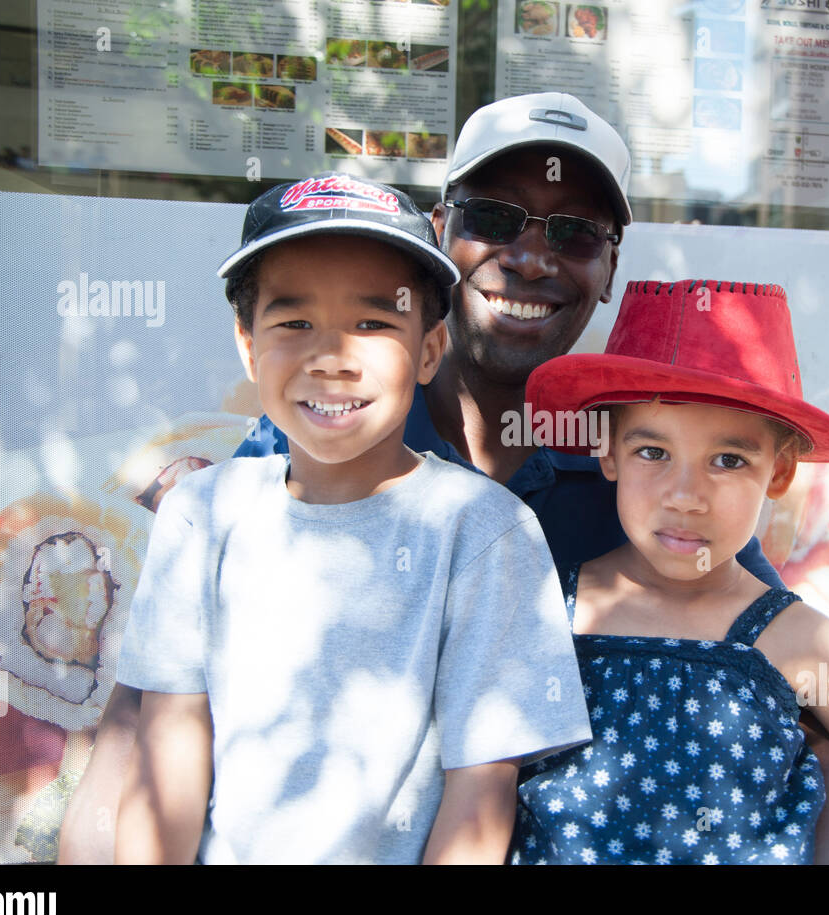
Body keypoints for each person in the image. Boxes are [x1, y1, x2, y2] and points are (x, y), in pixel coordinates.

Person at [62, 92, 829, 863]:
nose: (530, 257)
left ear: (609, 267)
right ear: (440, 230)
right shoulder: (321, 432)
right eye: (494, 218)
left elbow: (775, 668)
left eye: (576, 234)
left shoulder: (645, 475)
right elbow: (156, 705)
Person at [113, 175, 591, 863]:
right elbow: (167, 764)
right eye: (294, 322)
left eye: (373, 322)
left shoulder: (485, 531)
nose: (332, 358)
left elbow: (480, 799)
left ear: (429, 350)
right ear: (248, 345)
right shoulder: (202, 514)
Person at [511, 280, 829, 864]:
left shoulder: (802, 642)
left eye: (728, 461)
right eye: (652, 453)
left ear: (778, 476)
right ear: (607, 451)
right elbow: (480, 786)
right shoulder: (546, 609)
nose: (685, 496)